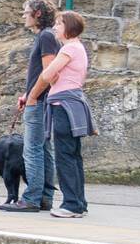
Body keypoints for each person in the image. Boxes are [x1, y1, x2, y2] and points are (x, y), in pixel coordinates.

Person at [26, 11, 92, 218]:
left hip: (63, 104)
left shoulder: (69, 49)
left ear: (68, 27)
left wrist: (53, 82)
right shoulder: (77, 48)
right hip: (73, 101)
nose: (55, 27)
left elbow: (46, 74)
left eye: (58, 23)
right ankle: (79, 202)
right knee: (73, 155)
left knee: (64, 155)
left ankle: (71, 205)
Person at [2, 0, 58, 213]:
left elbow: (48, 72)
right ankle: (44, 197)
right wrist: (28, 93)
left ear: (38, 13)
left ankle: (32, 198)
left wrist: (33, 96)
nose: (23, 15)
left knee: (33, 150)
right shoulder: (48, 36)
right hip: (40, 99)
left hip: (40, 101)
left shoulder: (46, 36)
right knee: (43, 149)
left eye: (26, 12)